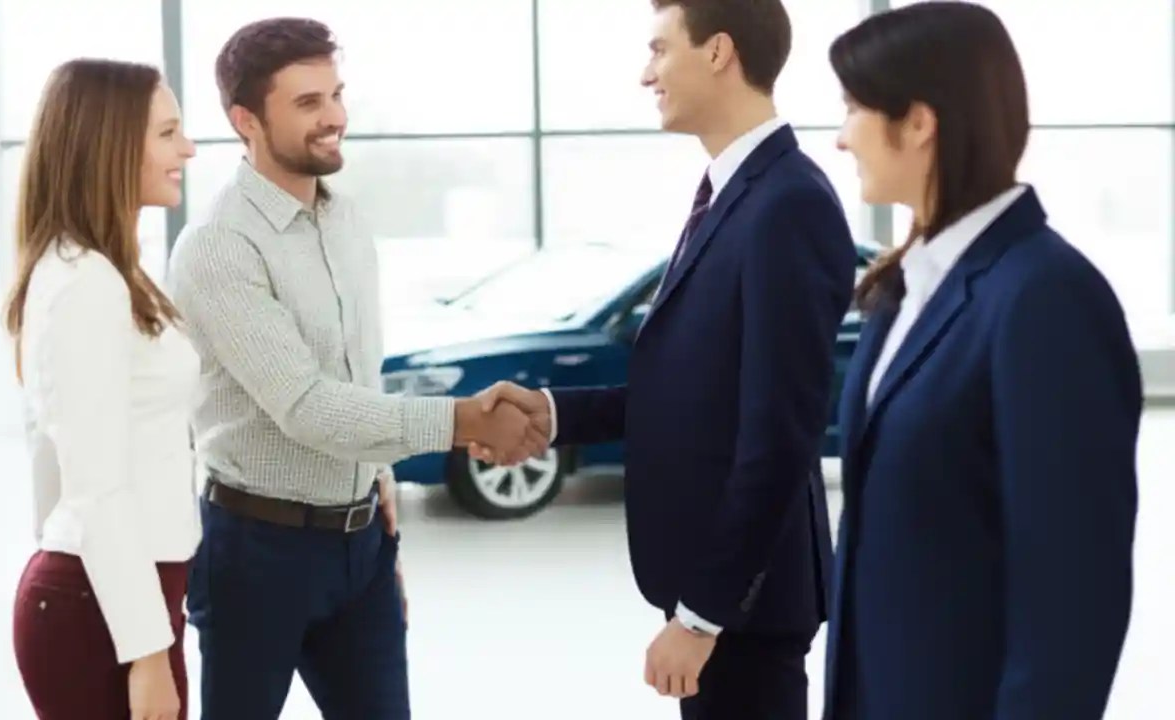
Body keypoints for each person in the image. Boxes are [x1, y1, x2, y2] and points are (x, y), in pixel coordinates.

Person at [472, 1, 856, 717]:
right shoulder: (733, 193)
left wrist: (704, 615)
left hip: (746, 605)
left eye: (659, 50)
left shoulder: (787, 204)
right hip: (722, 593)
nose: (646, 73)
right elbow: (697, 391)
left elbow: (778, 435)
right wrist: (554, 414)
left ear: (718, 53)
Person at [166, 17, 545, 720]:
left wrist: (381, 498)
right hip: (256, 552)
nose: (335, 117)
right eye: (308, 103)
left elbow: (358, 380)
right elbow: (306, 405)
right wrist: (461, 422)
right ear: (245, 119)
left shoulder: (345, 221)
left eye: (335, 94)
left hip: (360, 545)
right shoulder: (217, 246)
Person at [820, 3, 1143, 719]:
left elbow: (1071, 592)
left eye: (852, 109)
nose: (840, 139)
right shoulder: (904, 285)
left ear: (919, 122)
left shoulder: (1045, 297)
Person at [5, 59, 199, 720]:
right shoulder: (87, 282)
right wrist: (147, 653)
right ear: (113, 144)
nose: (188, 149)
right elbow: (97, 486)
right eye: (168, 132)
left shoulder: (112, 270)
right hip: (101, 611)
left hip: (129, 601)